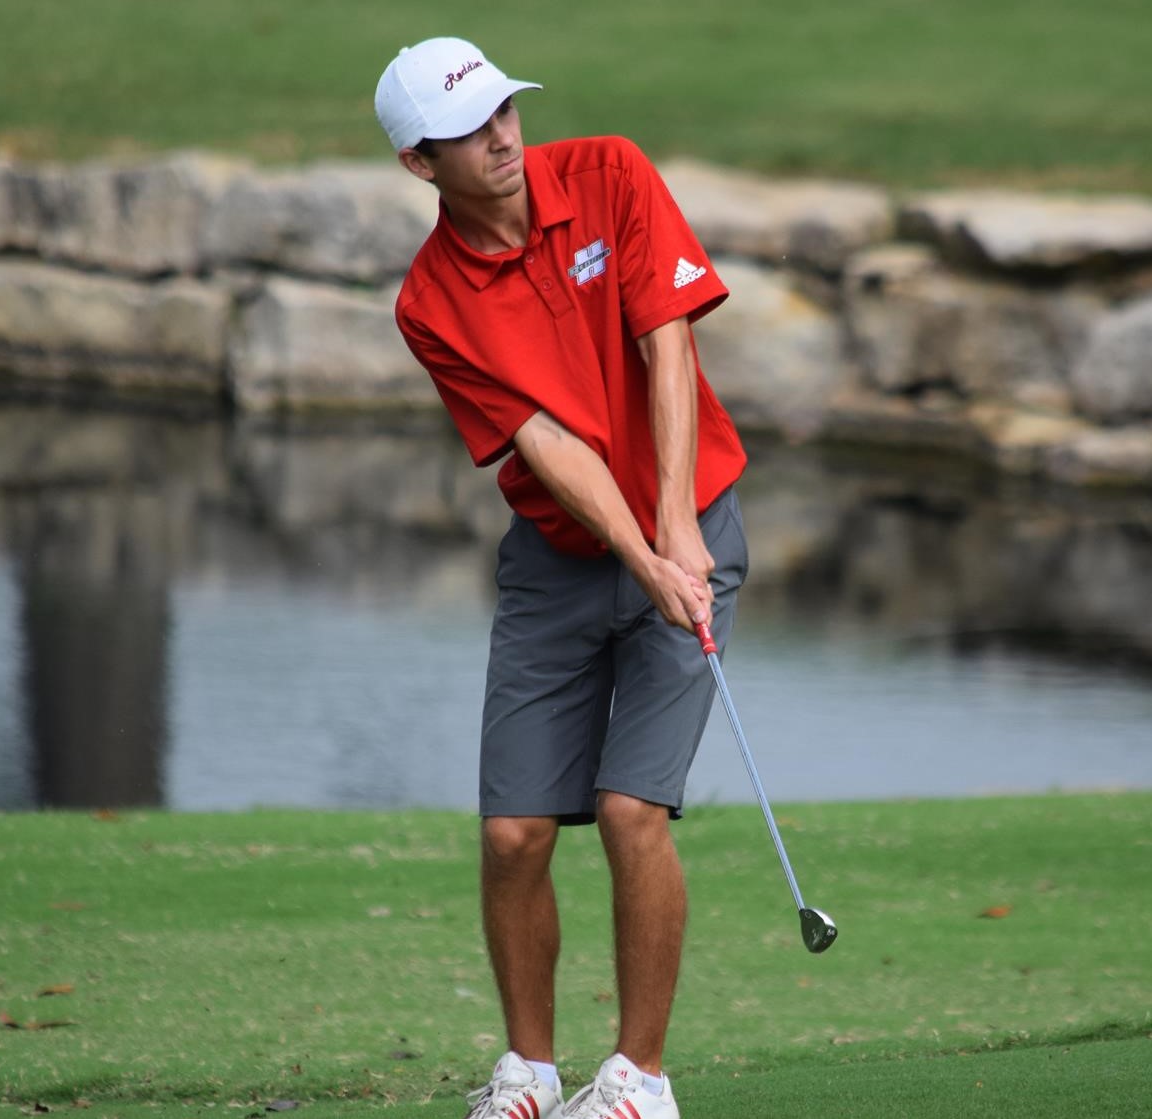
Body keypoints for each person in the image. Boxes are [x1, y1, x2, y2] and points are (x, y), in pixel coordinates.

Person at [376, 35, 749, 1119]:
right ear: (419, 165)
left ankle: (640, 1079)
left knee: (631, 810)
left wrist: (677, 526)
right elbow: (544, 442)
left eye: (502, 111)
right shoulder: (430, 303)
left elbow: (665, 340)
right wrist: (639, 554)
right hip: (559, 562)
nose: (501, 137)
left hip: (697, 523)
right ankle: (530, 1073)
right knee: (512, 833)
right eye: (467, 131)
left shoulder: (607, 173)